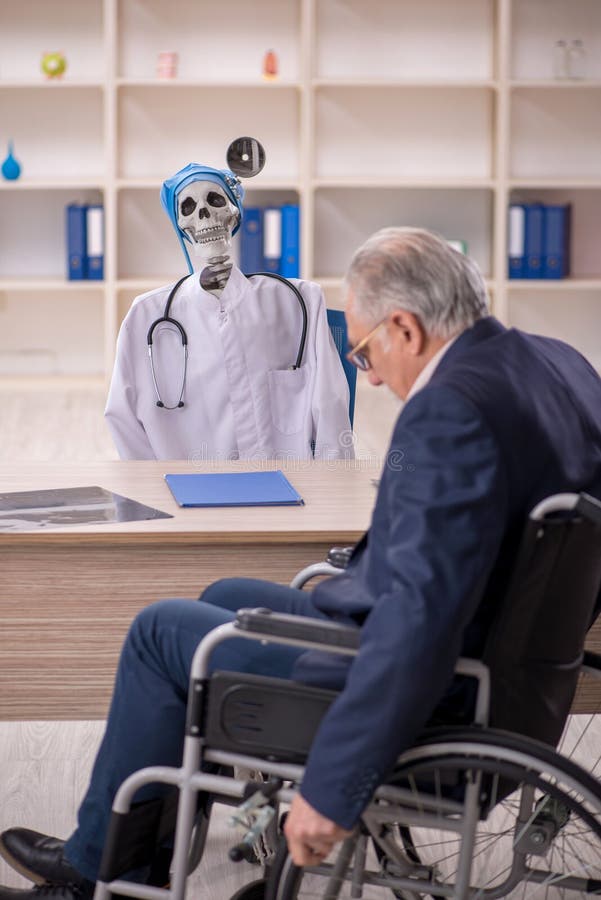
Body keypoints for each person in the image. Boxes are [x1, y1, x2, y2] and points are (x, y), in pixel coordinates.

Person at [1, 226, 600, 899]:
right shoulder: (559, 365)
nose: (368, 377)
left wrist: (331, 789)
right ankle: (137, 847)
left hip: (428, 685)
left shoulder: (449, 411)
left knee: (159, 630)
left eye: (366, 353)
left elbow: (419, 624)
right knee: (223, 592)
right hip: (512, 677)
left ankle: (98, 873)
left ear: (404, 327)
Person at [104, 162, 352, 461]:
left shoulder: (299, 301)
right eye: (189, 208)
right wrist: (152, 495)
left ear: (235, 213)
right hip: (185, 495)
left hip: (290, 492)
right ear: (180, 226)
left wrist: (333, 491)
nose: (204, 216)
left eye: (215, 201)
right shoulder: (147, 316)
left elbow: (331, 404)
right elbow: (124, 421)